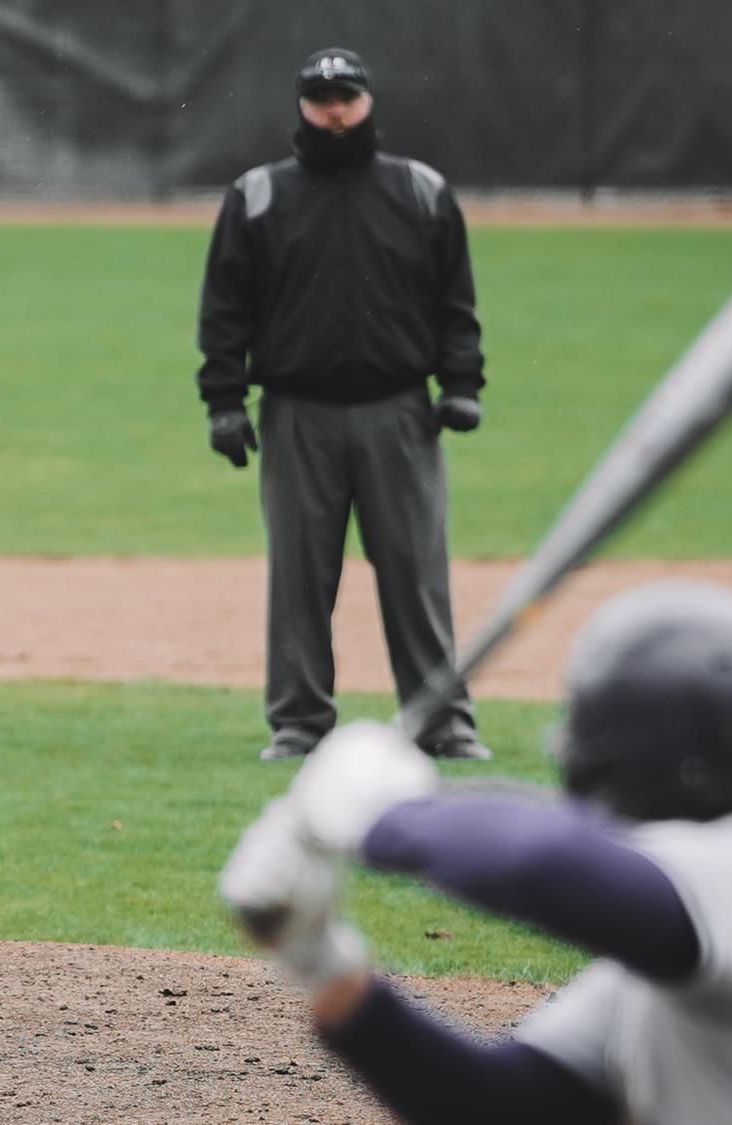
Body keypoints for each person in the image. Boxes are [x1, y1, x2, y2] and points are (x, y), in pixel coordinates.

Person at [220, 580, 732, 1123]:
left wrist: (383, 815)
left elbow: (546, 862)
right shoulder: (698, 951)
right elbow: (502, 1108)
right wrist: (321, 963)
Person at [195, 47, 488, 763]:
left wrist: (461, 385)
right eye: (322, 97)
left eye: (346, 97)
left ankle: (441, 720)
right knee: (299, 577)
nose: (335, 110)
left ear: (368, 102)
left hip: (400, 412)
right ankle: (298, 723)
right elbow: (225, 309)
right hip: (297, 414)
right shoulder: (258, 194)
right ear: (301, 104)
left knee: (416, 573)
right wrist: (224, 400)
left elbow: (455, 301)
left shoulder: (418, 190)